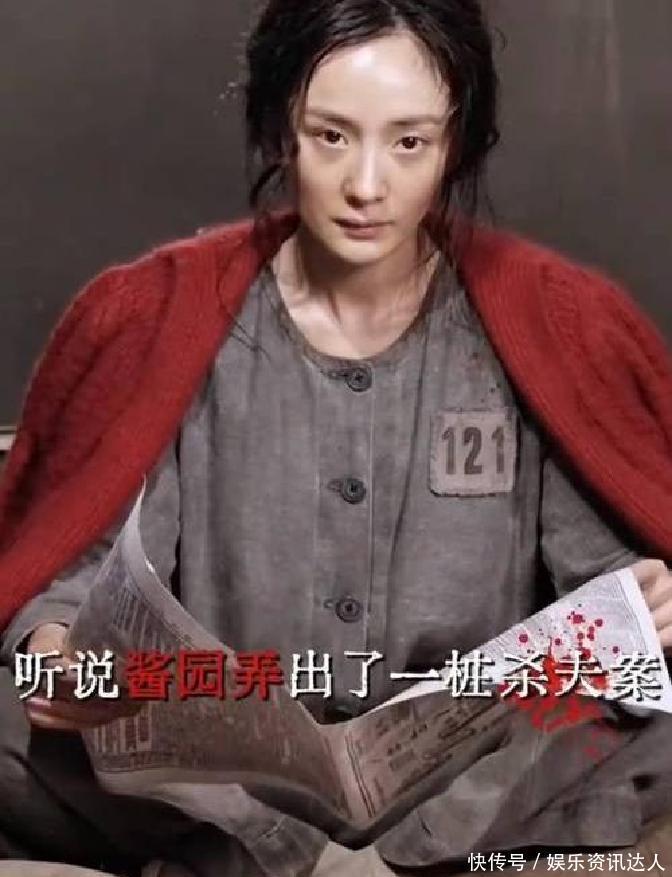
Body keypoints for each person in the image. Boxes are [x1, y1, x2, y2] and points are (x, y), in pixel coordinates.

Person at [1, 0, 671, 875]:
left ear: (456, 144)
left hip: (469, 785)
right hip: (224, 784)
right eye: (331, 136)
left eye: (410, 142)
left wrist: (643, 605)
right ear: (280, 132)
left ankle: (407, 857)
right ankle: (255, 851)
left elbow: (610, 596)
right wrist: (57, 652)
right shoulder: (160, 318)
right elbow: (74, 581)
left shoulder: (552, 326)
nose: (366, 184)